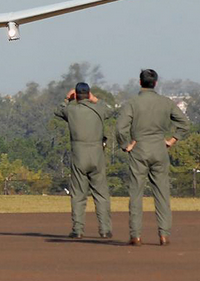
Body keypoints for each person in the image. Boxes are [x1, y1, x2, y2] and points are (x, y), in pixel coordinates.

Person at [116, 69, 191, 246]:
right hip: (159, 148)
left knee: (136, 193)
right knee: (162, 193)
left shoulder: (132, 103)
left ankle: (136, 235)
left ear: (140, 82)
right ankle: (164, 234)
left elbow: (120, 128)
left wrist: (125, 145)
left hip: (139, 149)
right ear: (155, 83)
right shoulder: (166, 102)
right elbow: (185, 124)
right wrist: (172, 140)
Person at [54, 82, 114, 240]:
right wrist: (95, 99)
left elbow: (58, 110)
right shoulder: (99, 109)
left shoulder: (71, 110)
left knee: (78, 194)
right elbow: (111, 110)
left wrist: (67, 98)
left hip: (79, 154)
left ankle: (78, 229)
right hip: (97, 153)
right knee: (101, 194)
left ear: (76, 96)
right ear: (88, 94)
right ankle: (105, 229)